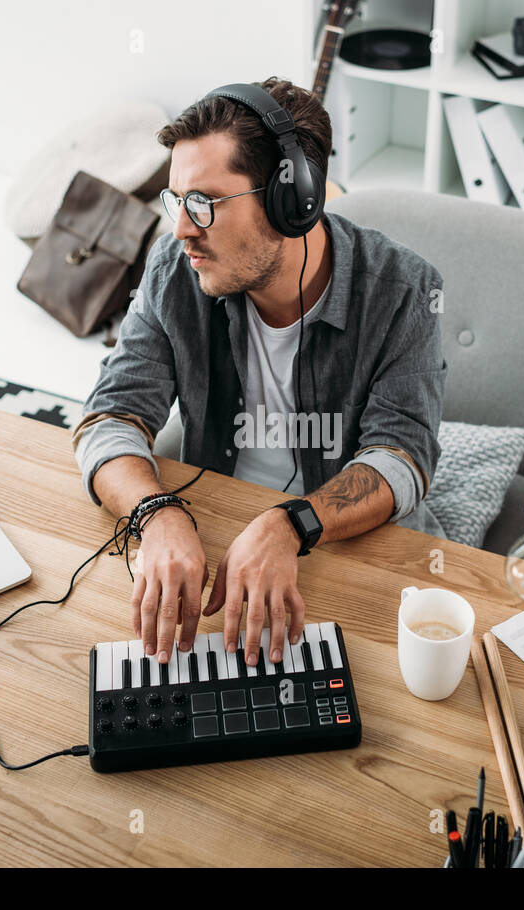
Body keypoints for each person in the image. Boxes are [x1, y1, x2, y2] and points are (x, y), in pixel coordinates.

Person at [72, 77, 446, 670]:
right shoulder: (177, 267)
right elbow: (109, 418)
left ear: (291, 199)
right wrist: (157, 514)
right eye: (176, 202)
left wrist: (290, 524)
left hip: (346, 545)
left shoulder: (404, 290)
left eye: (205, 204)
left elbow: (401, 458)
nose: (181, 230)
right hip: (213, 535)